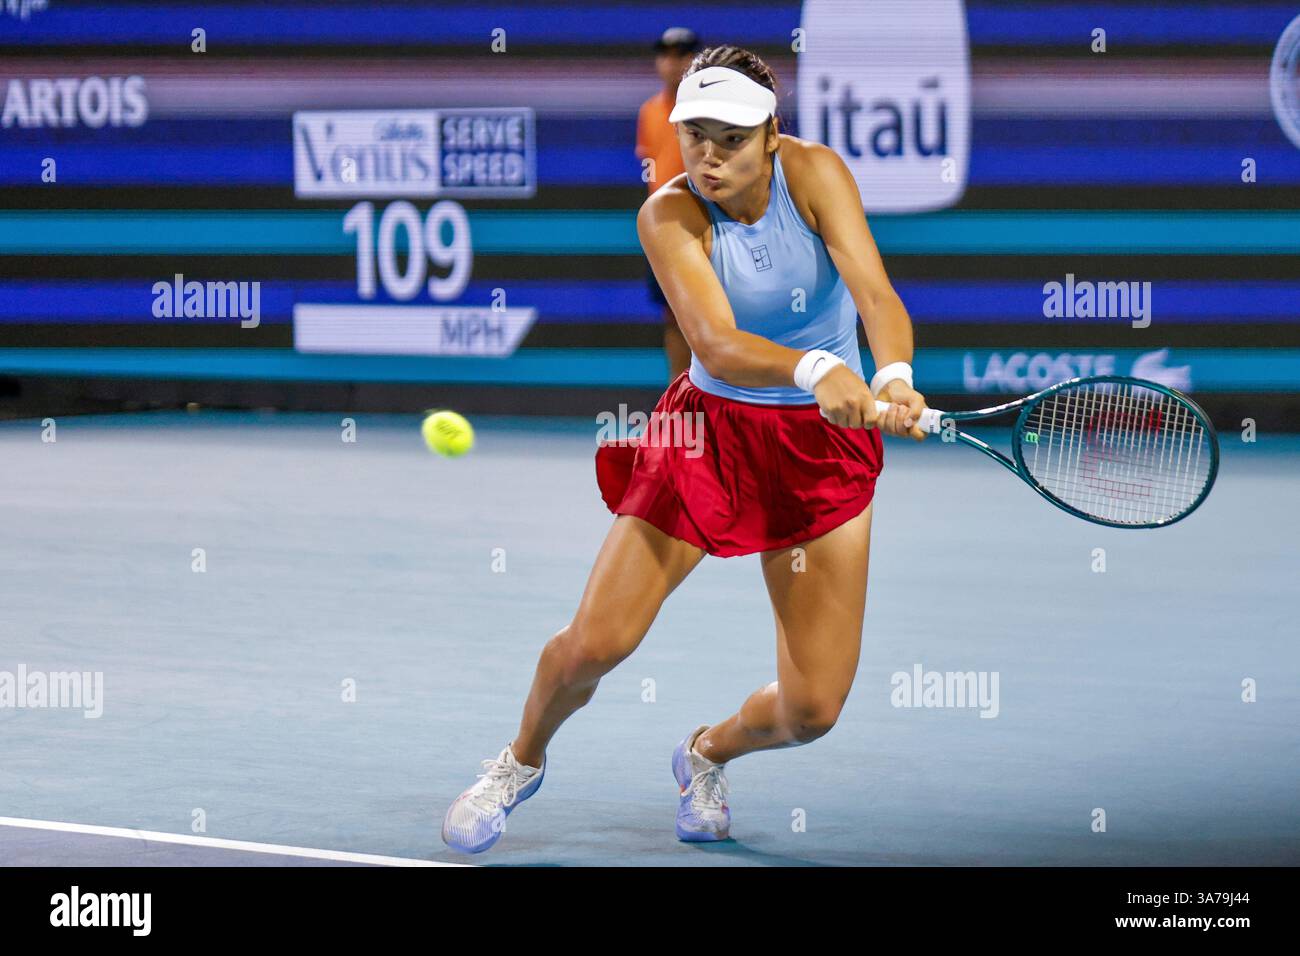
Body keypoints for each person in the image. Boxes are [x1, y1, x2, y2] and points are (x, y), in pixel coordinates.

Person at [442, 45, 929, 854]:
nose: (707, 154)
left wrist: (899, 375)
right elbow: (716, 341)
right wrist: (820, 368)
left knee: (813, 711)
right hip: (707, 434)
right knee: (597, 644)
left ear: (772, 134)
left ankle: (705, 754)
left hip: (821, 452)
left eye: (730, 137)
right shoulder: (665, 214)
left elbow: (875, 292)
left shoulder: (816, 174)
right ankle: (518, 762)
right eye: (694, 133)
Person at [636, 27, 700, 381]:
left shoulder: (706, 113)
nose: (673, 64)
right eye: (666, 55)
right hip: (664, 232)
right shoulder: (648, 112)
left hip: (704, 226)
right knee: (672, 317)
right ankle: (682, 398)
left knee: (710, 316)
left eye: (682, 55)